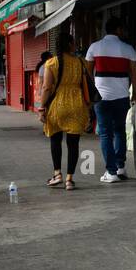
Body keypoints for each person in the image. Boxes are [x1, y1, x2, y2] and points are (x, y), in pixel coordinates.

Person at [84, 18, 136, 182]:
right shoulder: (128, 49)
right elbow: (135, 76)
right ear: (118, 29)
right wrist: (135, 95)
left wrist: (89, 98)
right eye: (123, 29)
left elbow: (87, 75)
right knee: (120, 131)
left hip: (101, 99)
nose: (125, 32)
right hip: (122, 98)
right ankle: (120, 168)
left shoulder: (94, 47)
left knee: (106, 134)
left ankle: (111, 172)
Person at [39, 33, 90, 191]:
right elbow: (86, 85)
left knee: (55, 139)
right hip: (76, 104)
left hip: (57, 106)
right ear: (69, 44)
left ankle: (57, 174)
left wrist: (42, 108)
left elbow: (47, 88)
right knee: (73, 144)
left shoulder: (51, 63)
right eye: (74, 42)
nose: (75, 45)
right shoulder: (80, 62)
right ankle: (69, 179)